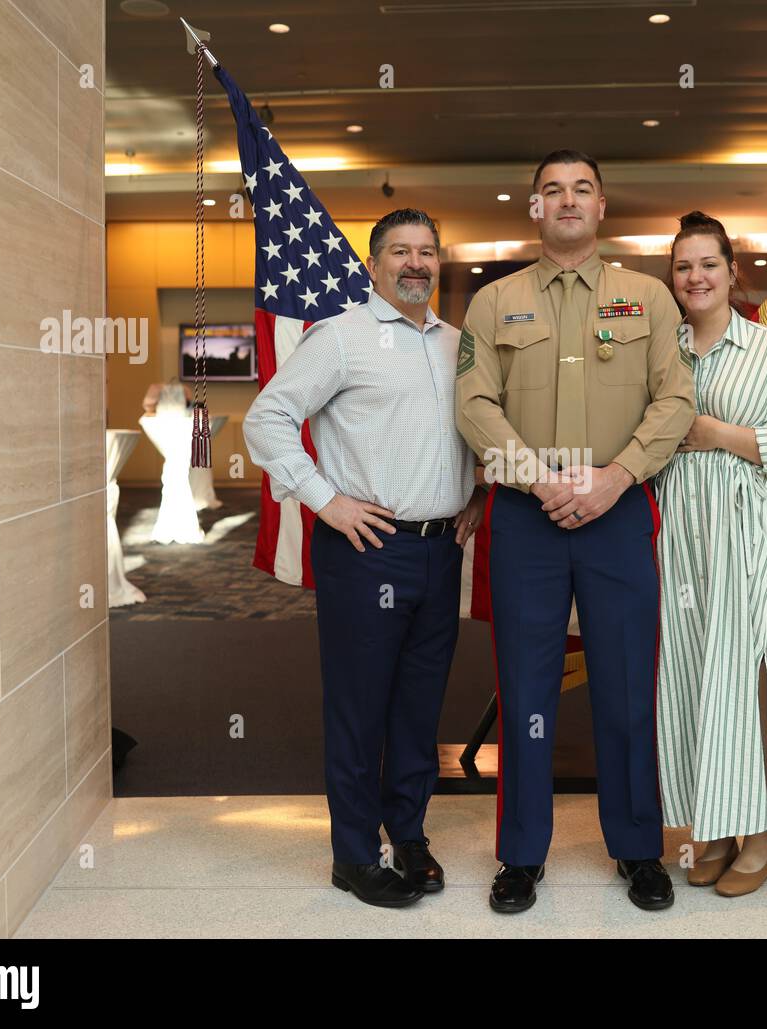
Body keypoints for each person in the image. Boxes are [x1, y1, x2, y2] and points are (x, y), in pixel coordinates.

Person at [455, 150, 695, 913]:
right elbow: (474, 405)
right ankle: (521, 854)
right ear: (533, 208)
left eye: (581, 189)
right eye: (551, 190)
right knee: (527, 687)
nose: (566, 200)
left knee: (627, 684)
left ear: (601, 207)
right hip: (526, 514)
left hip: (618, 510)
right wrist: (543, 477)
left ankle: (636, 847)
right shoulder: (495, 302)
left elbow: (675, 400)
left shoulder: (648, 298)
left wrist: (616, 476)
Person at [244, 208, 487, 908]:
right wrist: (325, 499)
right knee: (359, 709)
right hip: (366, 550)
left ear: (439, 264)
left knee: (418, 706)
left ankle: (407, 832)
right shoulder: (341, 338)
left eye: (427, 252)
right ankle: (353, 854)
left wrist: (475, 489)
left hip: (440, 552)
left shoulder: (457, 344)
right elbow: (267, 418)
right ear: (374, 264)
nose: (416, 263)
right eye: (400, 251)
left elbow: (467, 428)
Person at [655, 212, 767, 897]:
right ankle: (716, 828)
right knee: (693, 675)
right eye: (683, 266)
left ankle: (759, 838)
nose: (695, 277)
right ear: (672, 278)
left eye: (708, 264)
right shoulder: (657, 347)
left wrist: (720, 434)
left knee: (750, 676)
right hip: (678, 533)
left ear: (733, 273)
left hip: (752, 536)